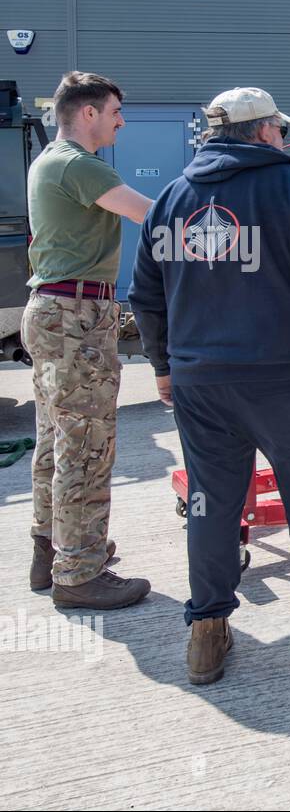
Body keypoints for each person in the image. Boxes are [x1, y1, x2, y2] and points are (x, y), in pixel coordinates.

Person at [129, 87, 290, 684]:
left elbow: (146, 294)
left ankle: (207, 633)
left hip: (200, 381)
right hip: (283, 376)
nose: (284, 138)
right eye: (280, 129)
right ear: (263, 131)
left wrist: (163, 366)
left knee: (211, 501)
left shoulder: (172, 198)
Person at [23, 72, 154, 609]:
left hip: (57, 312)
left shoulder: (50, 160)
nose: (121, 122)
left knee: (56, 439)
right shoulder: (79, 164)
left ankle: (53, 552)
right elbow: (151, 213)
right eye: (116, 112)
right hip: (75, 318)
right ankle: (79, 574)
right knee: (86, 446)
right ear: (89, 113)